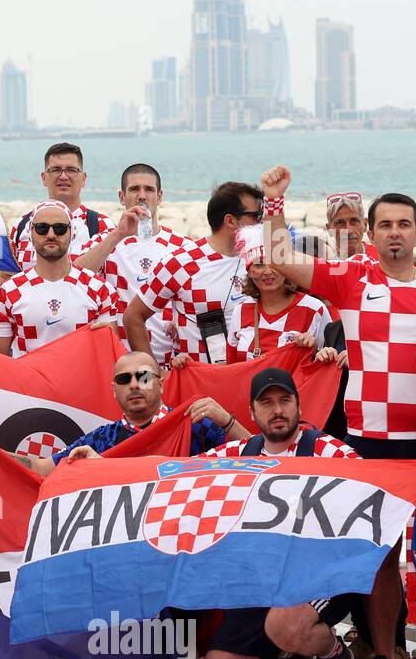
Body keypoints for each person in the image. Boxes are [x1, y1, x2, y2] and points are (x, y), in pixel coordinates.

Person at [259, 166, 416, 659]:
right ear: (370, 234)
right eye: (385, 224)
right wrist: (275, 204)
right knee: (383, 556)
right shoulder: (351, 279)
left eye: (404, 224)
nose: (394, 232)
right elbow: (281, 259)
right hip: (369, 440)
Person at [196, 369, 363, 659]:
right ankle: (289, 649)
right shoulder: (238, 454)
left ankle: (333, 655)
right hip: (261, 585)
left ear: (298, 406)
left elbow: (378, 483)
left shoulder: (327, 450)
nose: (277, 410)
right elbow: (169, 473)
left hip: (319, 577)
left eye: (285, 400)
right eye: (267, 402)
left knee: (284, 625)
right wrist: (102, 465)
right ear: (252, 412)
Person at [21, 351, 248, 473]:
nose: (134, 384)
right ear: (114, 390)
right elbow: (43, 468)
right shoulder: (102, 438)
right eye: (124, 379)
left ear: (161, 384)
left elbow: (262, 456)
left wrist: (228, 421)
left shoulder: (196, 424)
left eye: (144, 376)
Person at [124, 182, 261, 365]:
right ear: (230, 221)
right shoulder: (181, 263)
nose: (261, 222)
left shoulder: (263, 260)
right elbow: (133, 316)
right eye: (255, 216)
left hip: (252, 379)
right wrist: (152, 373)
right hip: (199, 381)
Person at [72, 163, 186, 361]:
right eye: (134, 189)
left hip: (171, 357)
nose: (142, 195)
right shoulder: (105, 241)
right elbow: (73, 278)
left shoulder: (180, 246)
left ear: (159, 197)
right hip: (121, 359)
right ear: (122, 197)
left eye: (149, 189)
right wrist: (118, 234)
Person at [0, 200, 120, 357]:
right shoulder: (8, 291)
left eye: (60, 228)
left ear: (73, 234)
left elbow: (108, 353)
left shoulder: (99, 289)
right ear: (30, 234)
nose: (51, 235)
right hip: (26, 380)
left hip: (80, 380)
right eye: (42, 228)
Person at [10, 142, 112, 264]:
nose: (63, 176)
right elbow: (9, 278)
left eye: (71, 170)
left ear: (83, 178)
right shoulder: (22, 226)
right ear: (44, 178)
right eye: (56, 170)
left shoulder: (103, 227)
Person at [226, 258, 335, 364]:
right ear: (249, 272)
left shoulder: (314, 309)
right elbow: (231, 368)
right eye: (259, 265)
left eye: (276, 263)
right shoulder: (241, 310)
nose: (268, 272)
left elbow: (332, 361)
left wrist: (315, 350)